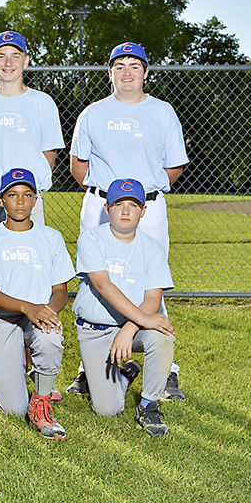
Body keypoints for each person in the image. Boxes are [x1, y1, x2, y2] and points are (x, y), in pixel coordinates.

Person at [69, 42, 188, 400]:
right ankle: (89, 367)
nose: (127, 72)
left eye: (135, 65)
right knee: (94, 282)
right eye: (119, 65)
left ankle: (164, 370)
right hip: (101, 205)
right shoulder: (93, 112)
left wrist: (145, 193)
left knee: (151, 281)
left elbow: (175, 165)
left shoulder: (162, 112)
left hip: (147, 208)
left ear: (146, 72)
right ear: (110, 73)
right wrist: (108, 198)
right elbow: (79, 164)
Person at [0, 30, 65, 399]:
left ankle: (34, 360)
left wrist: (29, 190)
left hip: (27, 196)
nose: (8, 62)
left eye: (15, 55)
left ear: (26, 60)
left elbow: (49, 153)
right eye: (0, 56)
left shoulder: (42, 103)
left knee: (31, 275)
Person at [0, 169, 74, 440]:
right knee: (13, 409)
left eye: (27, 195)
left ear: (35, 199)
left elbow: (60, 289)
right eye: (13, 195)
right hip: (1, 319)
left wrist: (48, 313)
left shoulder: (50, 237)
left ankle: (42, 400)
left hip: (38, 316)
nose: (20, 201)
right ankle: (25, 381)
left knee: (50, 335)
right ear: (1, 201)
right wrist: (29, 308)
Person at [72, 178, 176, 437]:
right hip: (95, 330)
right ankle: (127, 374)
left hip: (131, 328)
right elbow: (103, 286)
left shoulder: (152, 249)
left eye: (133, 205)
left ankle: (149, 403)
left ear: (144, 211)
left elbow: (153, 298)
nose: (126, 211)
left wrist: (129, 329)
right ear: (107, 209)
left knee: (162, 335)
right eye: (119, 204)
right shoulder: (91, 239)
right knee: (108, 409)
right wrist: (136, 322)